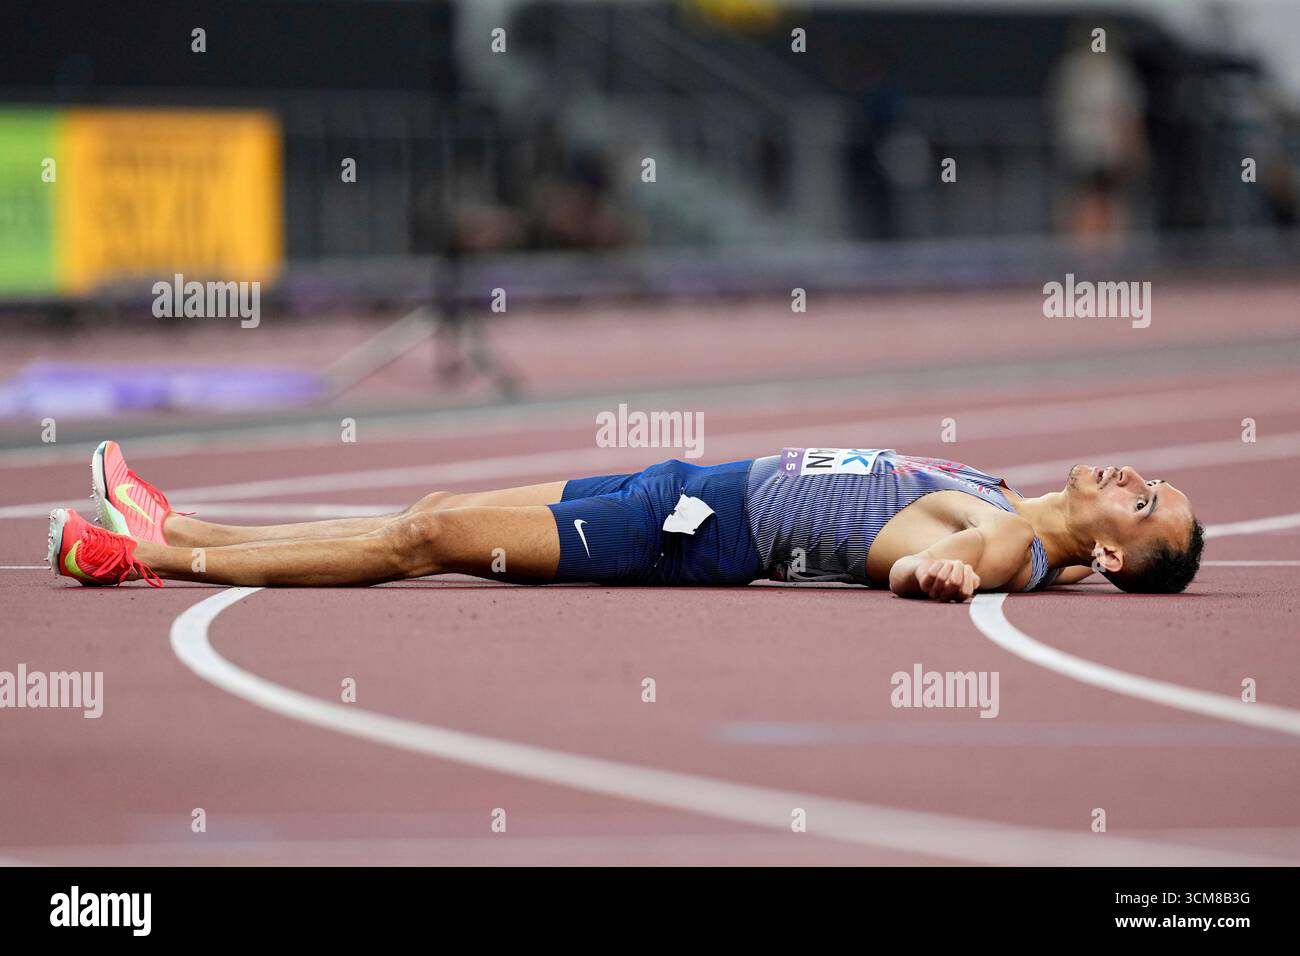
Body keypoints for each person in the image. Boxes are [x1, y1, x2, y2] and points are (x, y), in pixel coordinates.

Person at [48, 442, 1202, 600]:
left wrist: (940, 572)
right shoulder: (1020, 510)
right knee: (438, 507)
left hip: (690, 534)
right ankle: (184, 518)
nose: (1133, 475)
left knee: (423, 542)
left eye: (1143, 504)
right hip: (695, 483)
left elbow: (936, 555)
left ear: (1108, 548)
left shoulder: (1010, 543)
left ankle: (138, 553)